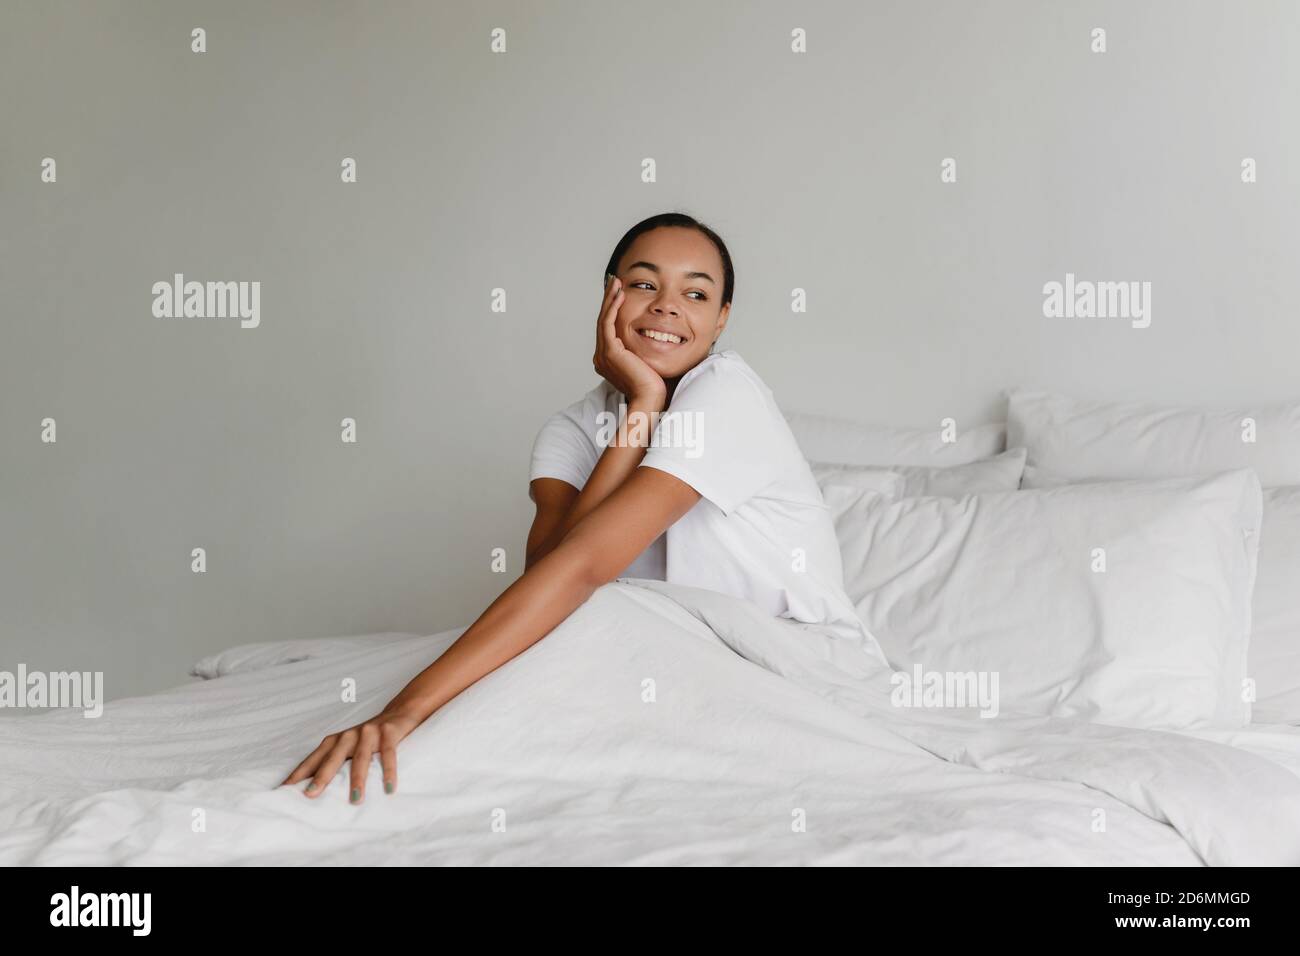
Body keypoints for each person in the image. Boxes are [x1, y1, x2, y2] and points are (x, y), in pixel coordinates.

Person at [281, 212, 879, 803]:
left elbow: (585, 567)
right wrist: (641, 406)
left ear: (721, 320)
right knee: (560, 649)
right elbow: (548, 569)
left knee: (592, 620)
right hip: (661, 658)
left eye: (695, 293)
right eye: (645, 284)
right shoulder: (572, 427)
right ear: (609, 296)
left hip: (790, 659)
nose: (668, 306)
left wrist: (403, 711)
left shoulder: (728, 395)